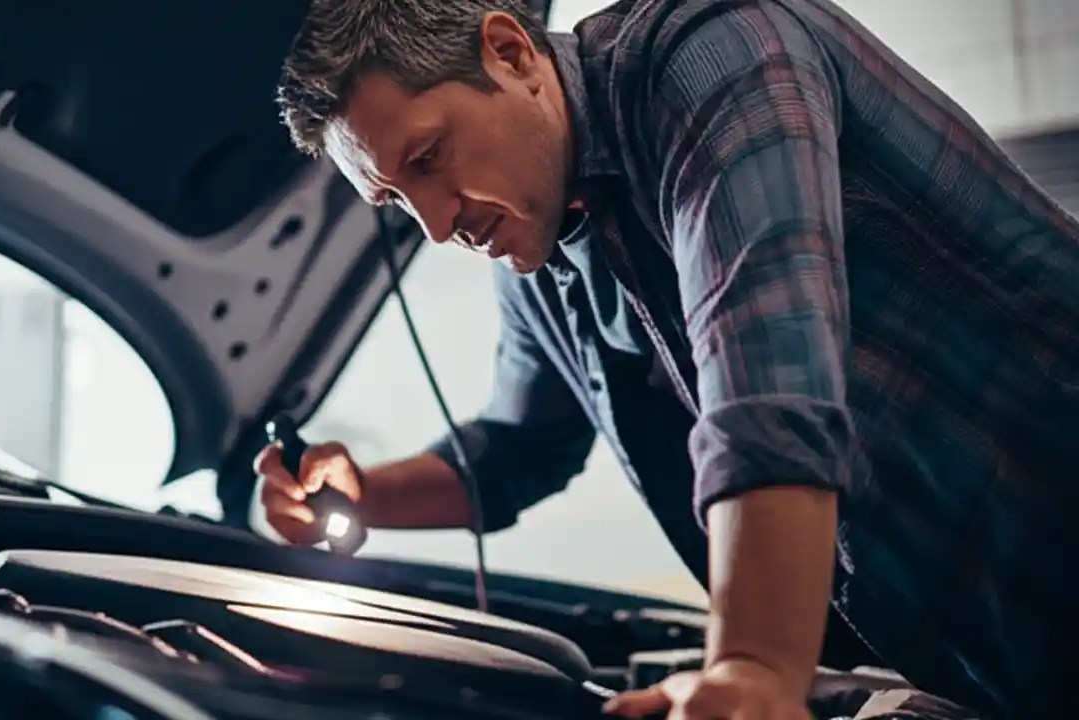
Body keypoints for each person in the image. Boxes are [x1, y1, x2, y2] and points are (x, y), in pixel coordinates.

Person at [257, 0, 1079, 717]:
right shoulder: (538, 261)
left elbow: (766, 371)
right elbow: (516, 450)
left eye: (429, 158)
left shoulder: (713, 52)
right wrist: (361, 495)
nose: (434, 226)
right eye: (396, 198)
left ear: (510, 53)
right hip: (994, 657)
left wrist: (753, 667)